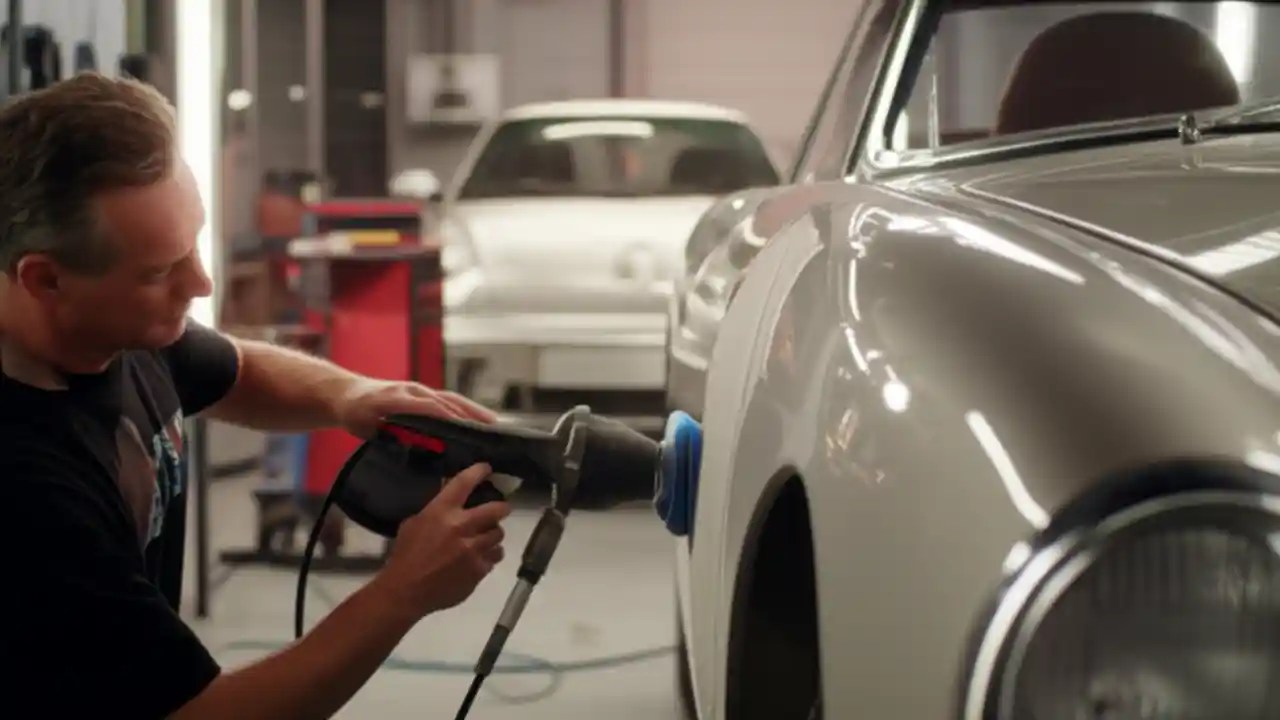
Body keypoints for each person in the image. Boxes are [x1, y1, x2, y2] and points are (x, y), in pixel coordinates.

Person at [0, 73, 511, 718]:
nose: (202, 281)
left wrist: (349, 395)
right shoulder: (25, 488)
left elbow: (232, 369)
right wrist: (402, 592)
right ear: (45, 280)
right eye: (161, 271)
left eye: (194, 245)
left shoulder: (115, 328)